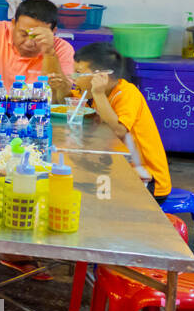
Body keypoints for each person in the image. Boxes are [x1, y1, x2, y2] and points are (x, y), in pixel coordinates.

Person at [73, 42, 171, 202]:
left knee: (86, 194)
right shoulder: (92, 93)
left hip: (147, 178)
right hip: (116, 168)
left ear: (101, 76)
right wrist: (59, 87)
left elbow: (118, 130)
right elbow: (67, 104)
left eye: (78, 73)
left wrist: (98, 94)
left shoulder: (127, 93)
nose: (74, 78)